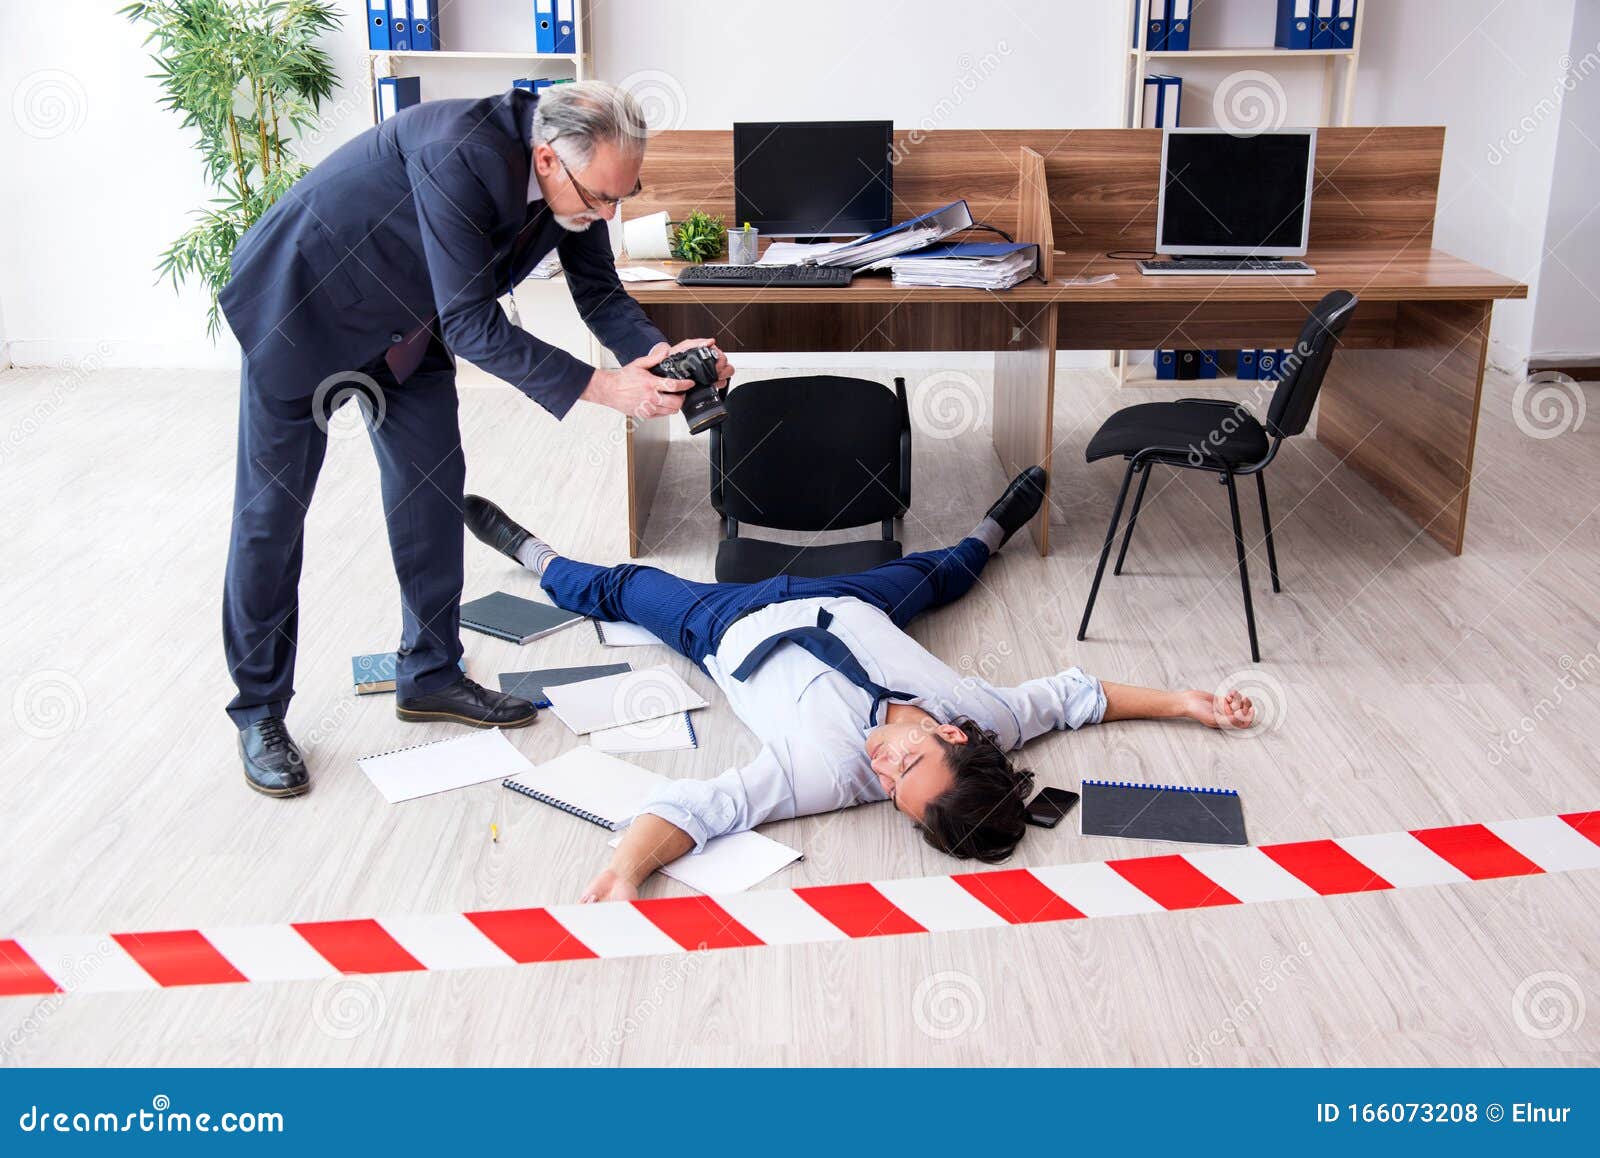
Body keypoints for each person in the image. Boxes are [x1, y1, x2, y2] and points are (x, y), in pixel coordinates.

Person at [218, 81, 731, 797]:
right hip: (303, 306)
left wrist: (660, 357)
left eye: (624, 195)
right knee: (271, 519)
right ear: (547, 160)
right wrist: (607, 388)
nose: (609, 213)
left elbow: (601, 294)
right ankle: (259, 711)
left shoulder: (577, 183)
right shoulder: (457, 148)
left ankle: (428, 673)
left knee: (430, 491)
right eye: (602, 198)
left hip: (411, 322)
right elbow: (475, 328)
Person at [463, 466, 1258, 903]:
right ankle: (997, 524)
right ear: (954, 734)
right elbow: (1080, 696)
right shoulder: (990, 719)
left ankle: (530, 551)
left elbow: (698, 811)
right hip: (856, 600)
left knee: (626, 585)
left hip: (729, 624)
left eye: (891, 790)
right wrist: (1185, 702)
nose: (881, 769)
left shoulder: (824, 778)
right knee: (947, 572)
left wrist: (625, 872)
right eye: (906, 765)